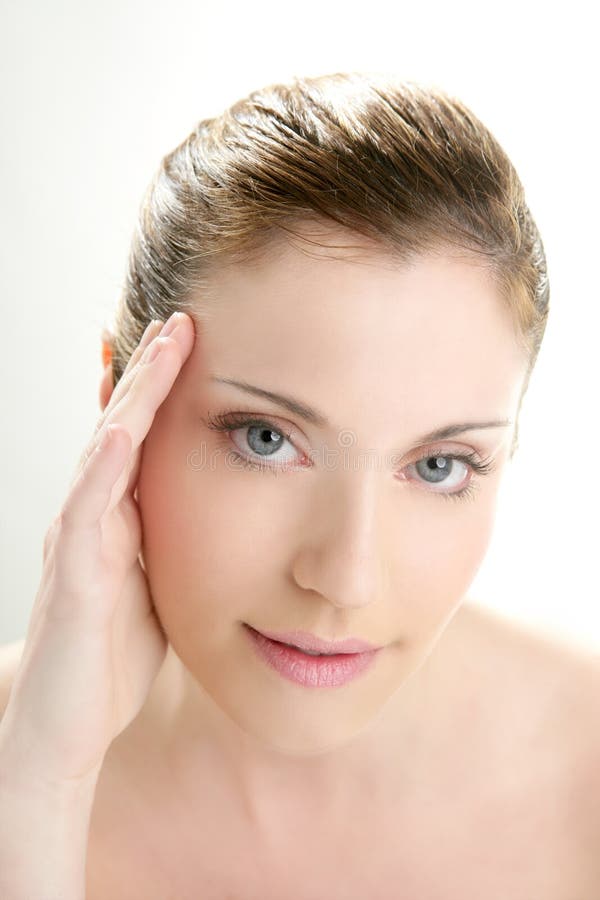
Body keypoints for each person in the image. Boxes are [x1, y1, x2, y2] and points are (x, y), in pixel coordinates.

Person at [0, 70, 598, 898]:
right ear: (119, 409)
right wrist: (36, 788)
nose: (344, 579)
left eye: (438, 466)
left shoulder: (588, 775)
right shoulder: (15, 760)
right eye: (267, 439)